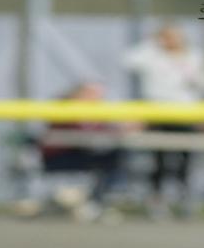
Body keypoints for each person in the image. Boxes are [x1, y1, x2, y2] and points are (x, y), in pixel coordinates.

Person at [123, 26, 204, 220]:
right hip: (158, 112)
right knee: (159, 158)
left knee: (187, 158)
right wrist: (153, 43)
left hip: (185, 114)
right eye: (167, 38)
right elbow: (127, 61)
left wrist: (195, 78)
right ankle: (157, 199)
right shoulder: (152, 55)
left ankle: (185, 198)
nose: (172, 42)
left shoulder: (193, 56)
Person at [34, 82, 132, 223]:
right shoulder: (63, 107)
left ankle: (98, 200)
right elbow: (79, 130)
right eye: (92, 94)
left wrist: (121, 128)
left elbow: (103, 130)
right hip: (61, 155)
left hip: (82, 153)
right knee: (102, 160)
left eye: (99, 96)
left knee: (114, 157)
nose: (96, 99)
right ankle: (87, 201)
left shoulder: (97, 111)